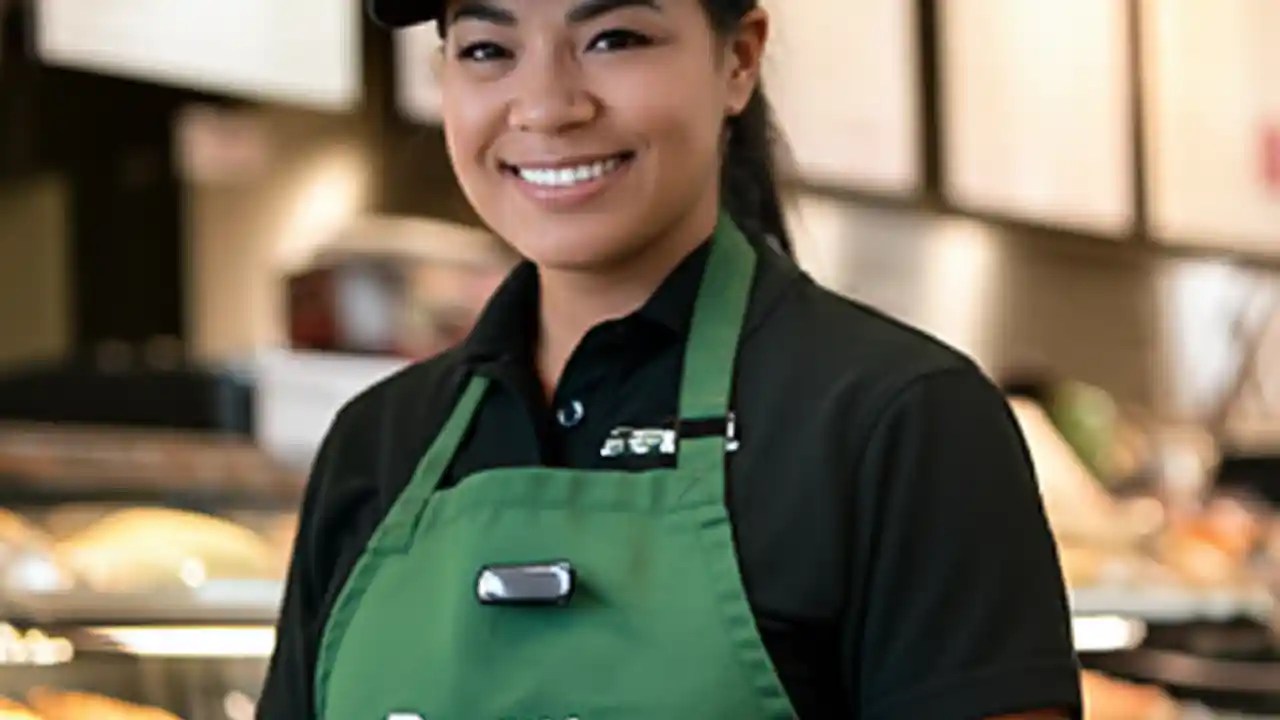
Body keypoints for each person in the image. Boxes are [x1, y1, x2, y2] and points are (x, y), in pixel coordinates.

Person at [260, 0, 1083, 717]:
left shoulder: (901, 421)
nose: (545, 106)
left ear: (739, 59)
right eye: (487, 50)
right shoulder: (377, 443)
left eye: (614, 38)